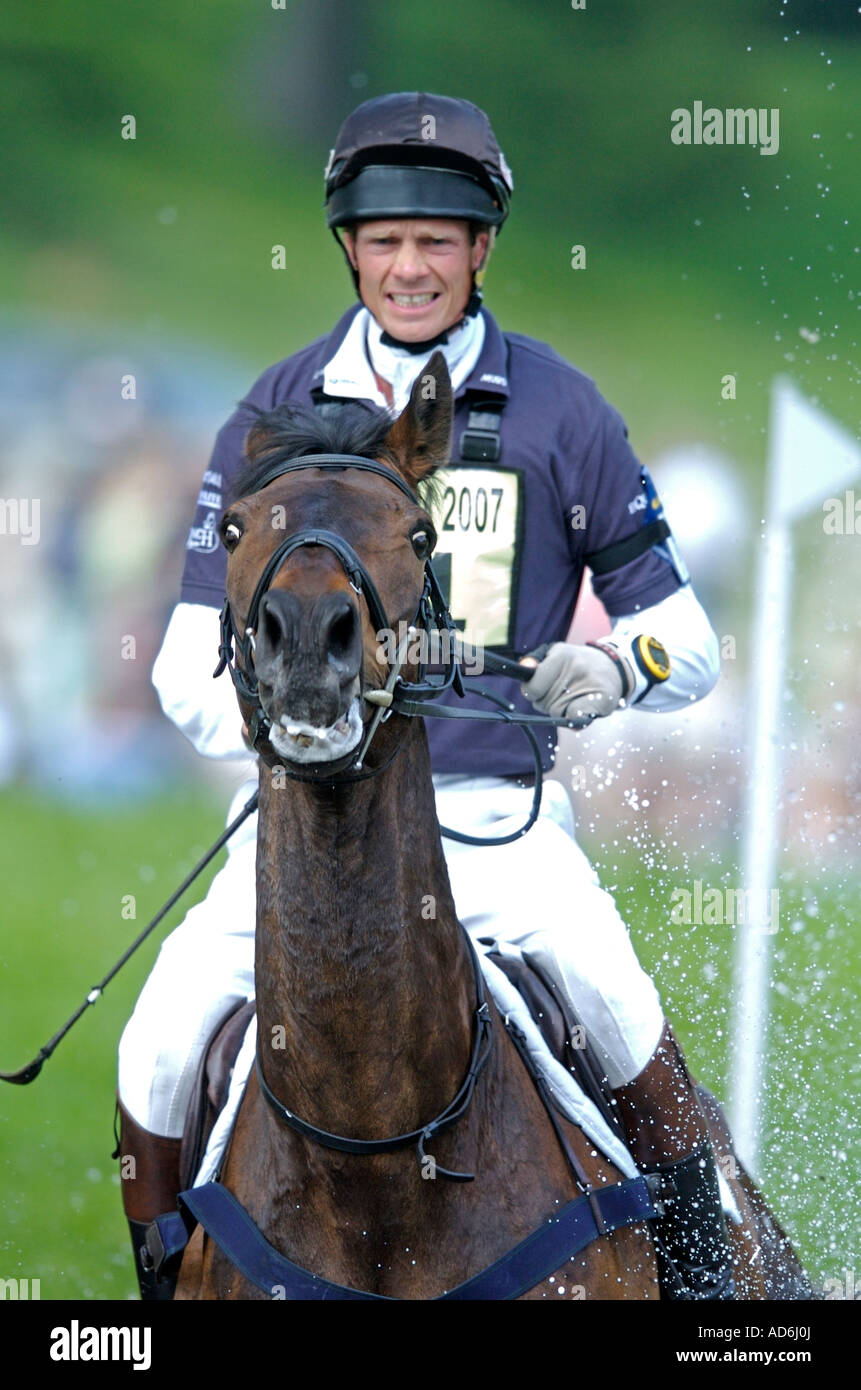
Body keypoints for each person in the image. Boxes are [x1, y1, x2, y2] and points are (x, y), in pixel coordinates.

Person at [117, 91, 733, 1300]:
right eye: (387, 241)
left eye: (437, 242)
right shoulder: (273, 413)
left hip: (496, 827)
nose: (411, 268)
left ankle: (711, 1290)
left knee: (620, 1013)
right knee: (156, 1045)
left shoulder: (562, 411)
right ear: (350, 247)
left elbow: (690, 639)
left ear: (481, 249)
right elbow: (182, 664)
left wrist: (614, 668)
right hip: (305, 833)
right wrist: (302, 716)